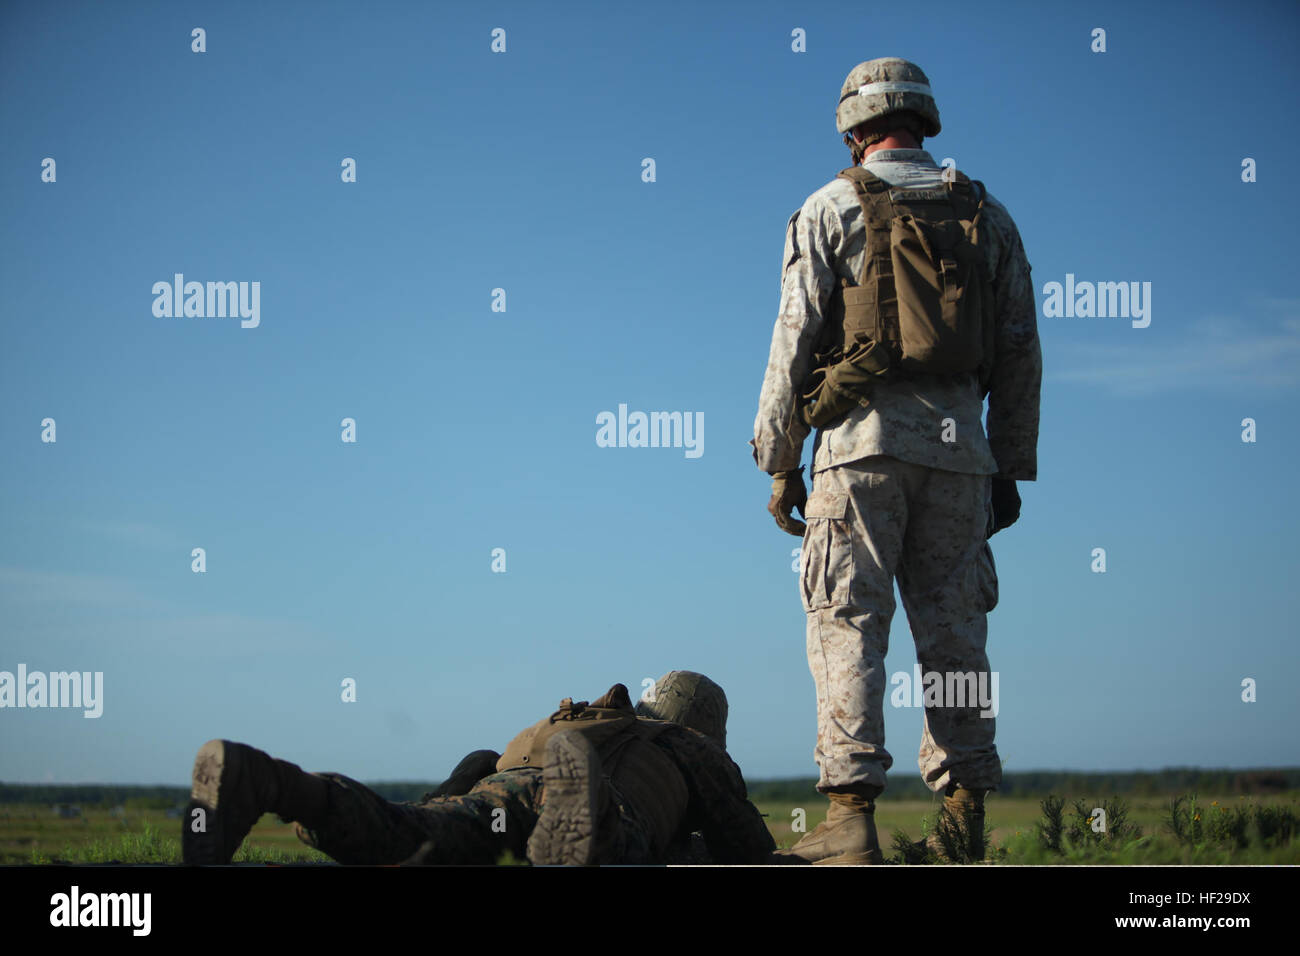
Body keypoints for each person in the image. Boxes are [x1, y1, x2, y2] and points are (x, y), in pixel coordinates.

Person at [751, 57, 1041, 864]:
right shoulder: (990, 216)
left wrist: (779, 460)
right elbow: (1021, 352)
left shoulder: (829, 206)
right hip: (961, 463)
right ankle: (964, 824)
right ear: (925, 119)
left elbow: (792, 342)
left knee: (849, 628)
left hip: (858, 452)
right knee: (956, 643)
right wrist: (1008, 466)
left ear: (853, 130)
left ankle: (851, 827)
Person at [181, 670, 775, 866]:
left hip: (505, 785)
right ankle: (583, 822)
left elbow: (474, 768)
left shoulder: (588, 721)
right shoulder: (685, 745)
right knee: (620, 844)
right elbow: (745, 849)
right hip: (603, 797)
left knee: (410, 833)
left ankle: (278, 784)